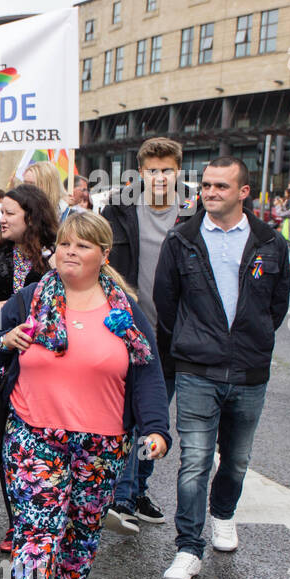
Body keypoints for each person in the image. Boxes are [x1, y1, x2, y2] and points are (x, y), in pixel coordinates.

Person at [0, 211, 170, 579]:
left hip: (103, 440)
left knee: (83, 526)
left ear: (103, 256)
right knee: (36, 528)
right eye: (65, 243)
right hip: (34, 433)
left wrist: (157, 429)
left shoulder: (124, 309)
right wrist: (6, 340)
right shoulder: (30, 299)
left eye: (82, 246)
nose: (69, 252)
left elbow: (147, 373)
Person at [155, 157, 290, 579]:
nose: (210, 193)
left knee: (236, 458)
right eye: (207, 186)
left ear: (244, 192)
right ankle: (188, 547)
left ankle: (224, 515)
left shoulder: (270, 241)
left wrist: (254, 337)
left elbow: (278, 304)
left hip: (250, 370)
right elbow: (167, 303)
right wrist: (195, 342)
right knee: (193, 460)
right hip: (197, 368)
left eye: (221, 187)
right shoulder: (182, 238)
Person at [101, 137, 195, 534]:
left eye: (167, 170)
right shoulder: (119, 207)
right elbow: (102, 259)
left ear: (178, 171)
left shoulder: (194, 209)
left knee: (153, 417)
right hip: (128, 327)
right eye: (152, 170)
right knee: (129, 417)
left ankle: (136, 490)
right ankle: (120, 497)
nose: (159, 177)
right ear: (141, 172)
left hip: (175, 332)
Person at [0, 183, 58, 552]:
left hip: (41, 368)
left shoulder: (54, 256)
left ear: (31, 217)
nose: (0, 220)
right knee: (6, 446)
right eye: (0, 212)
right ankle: (16, 523)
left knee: (37, 445)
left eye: (9, 214)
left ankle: (40, 518)